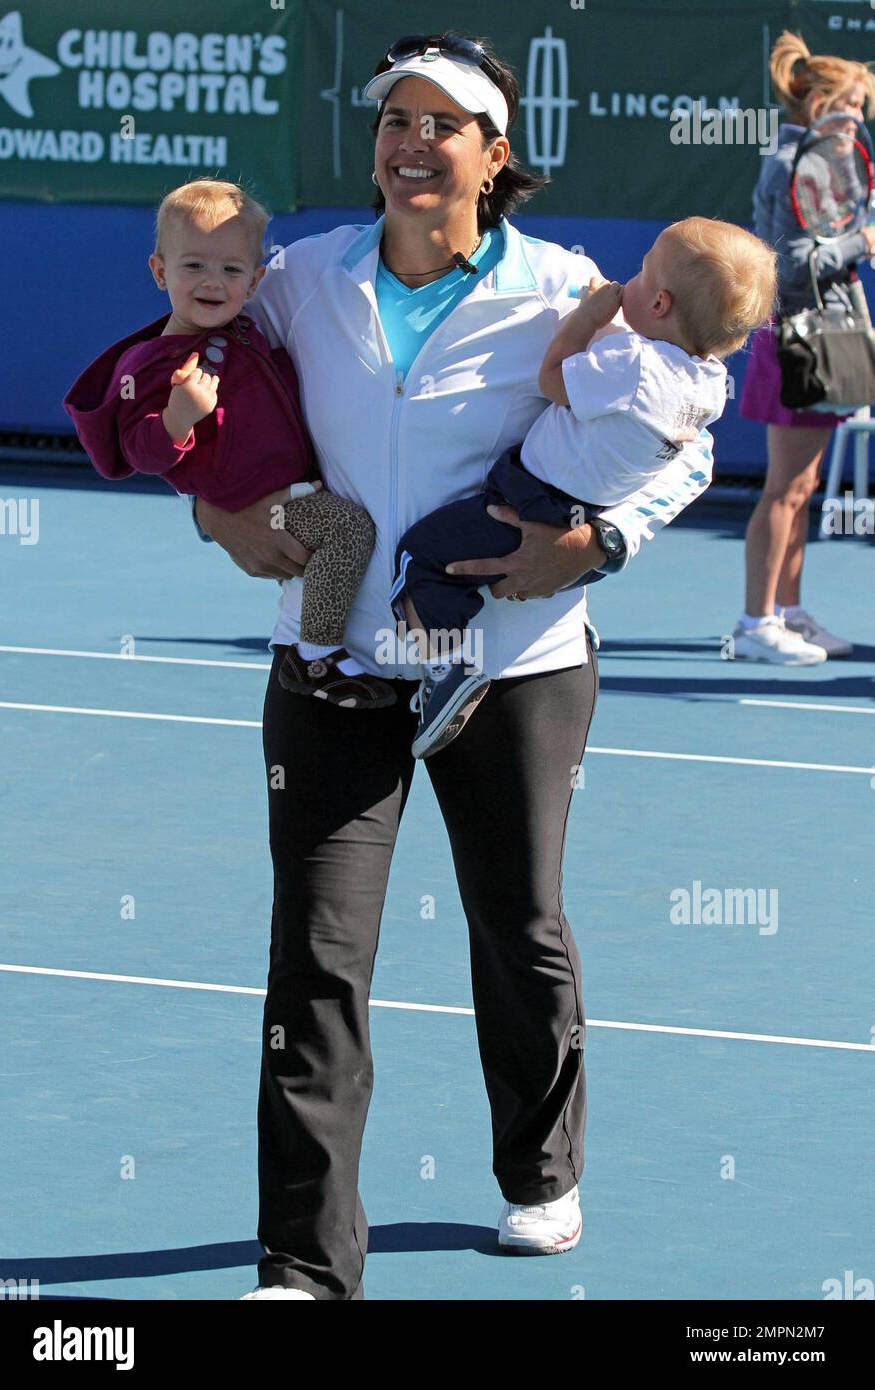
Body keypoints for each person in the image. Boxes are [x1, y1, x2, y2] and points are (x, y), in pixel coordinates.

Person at [193, 31, 718, 1300]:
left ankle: (540, 1172)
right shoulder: (299, 277)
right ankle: (305, 1260)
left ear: (495, 155)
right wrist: (215, 514)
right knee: (314, 957)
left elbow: (686, 441)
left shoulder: (569, 289)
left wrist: (591, 544)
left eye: (444, 124)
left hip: (513, 670)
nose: (412, 143)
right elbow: (208, 387)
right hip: (330, 664)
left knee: (515, 926)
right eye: (395, 122)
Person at [396, 217, 776, 758]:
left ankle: (448, 665)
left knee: (418, 556)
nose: (631, 280)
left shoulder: (630, 361)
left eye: (644, 273)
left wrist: (587, 317)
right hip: (590, 520)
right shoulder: (709, 384)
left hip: (528, 500)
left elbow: (553, 378)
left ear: (660, 305)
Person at [63, 178, 394, 710]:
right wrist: (177, 418)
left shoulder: (248, 331)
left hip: (296, 485)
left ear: (256, 279)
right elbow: (139, 451)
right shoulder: (150, 363)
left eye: (231, 270)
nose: (212, 281)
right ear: (159, 271)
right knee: (349, 529)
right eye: (193, 266)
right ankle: (316, 655)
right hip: (265, 502)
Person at [733, 29, 875, 664]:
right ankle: (754, 623)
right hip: (797, 342)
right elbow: (790, 267)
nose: (860, 119)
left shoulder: (823, 162)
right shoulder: (795, 161)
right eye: (853, 104)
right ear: (820, 104)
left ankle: (788, 612)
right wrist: (861, 244)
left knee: (803, 486)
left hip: (825, 337)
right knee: (784, 489)